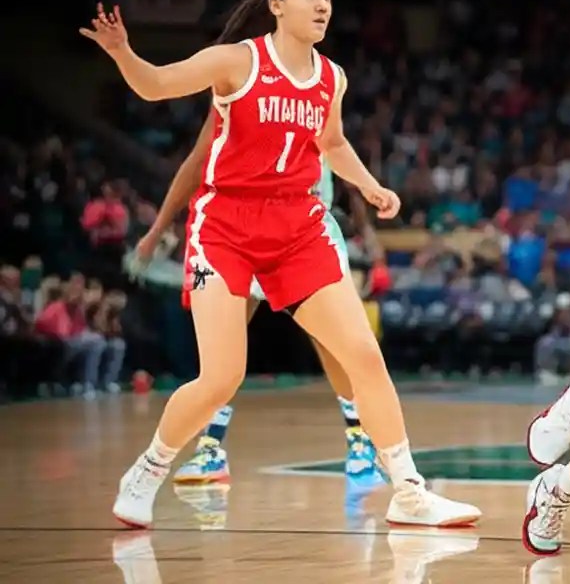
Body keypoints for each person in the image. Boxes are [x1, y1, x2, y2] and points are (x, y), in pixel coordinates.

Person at [81, 0, 480, 529]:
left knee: (365, 355)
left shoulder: (330, 77)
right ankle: (148, 469)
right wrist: (123, 53)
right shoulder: (236, 62)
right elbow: (156, 85)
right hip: (227, 226)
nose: (323, 6)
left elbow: (333, 141)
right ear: (276, 5)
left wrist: (368, 185)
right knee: (221, 376)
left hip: (298, 228)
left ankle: (410, 492)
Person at [132, 112, 385, 494]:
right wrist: (158, 228)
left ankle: (359, 441)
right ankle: (210, 447)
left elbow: (336, 146)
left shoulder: (308, 84)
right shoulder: (229, 101)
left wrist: (366, 208)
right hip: (243, 228)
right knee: (223, 354)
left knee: (332, 342)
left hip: (303, 225)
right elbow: (195, 164)